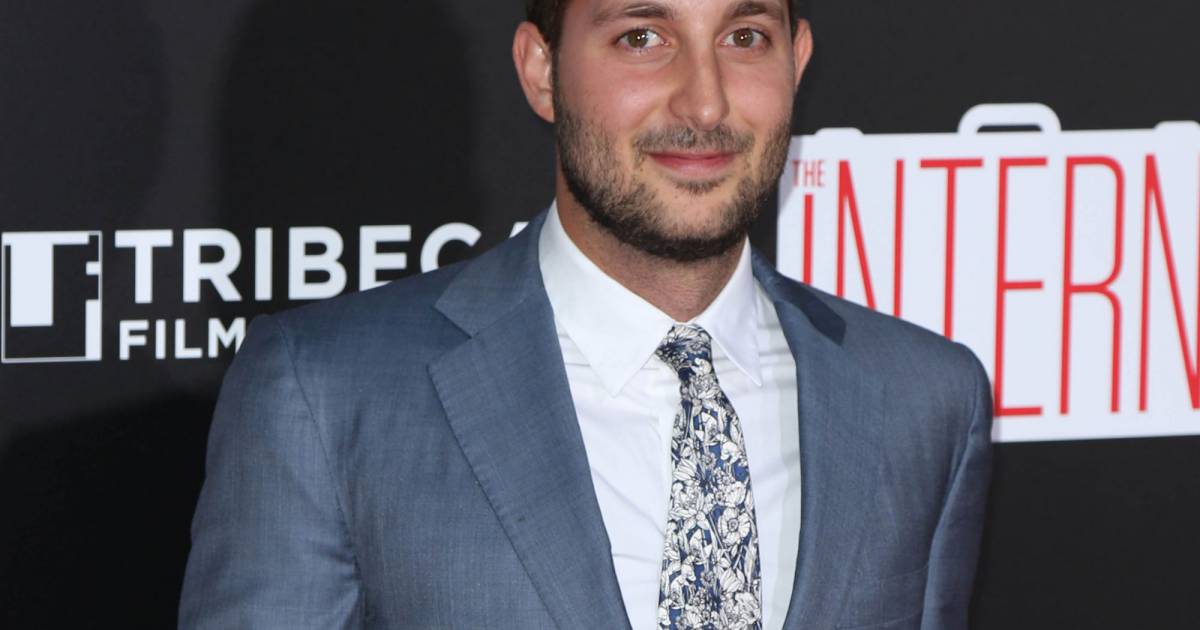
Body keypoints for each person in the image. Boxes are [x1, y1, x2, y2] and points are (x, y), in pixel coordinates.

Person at [179, 0, 993, 628]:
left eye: (744, 37)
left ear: (798, 59)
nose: (705, 104)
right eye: (644, 35)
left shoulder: (924, 399)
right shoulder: (325, 392)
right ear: (542, 71)